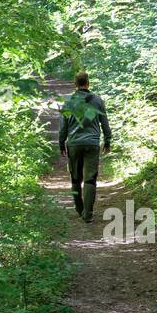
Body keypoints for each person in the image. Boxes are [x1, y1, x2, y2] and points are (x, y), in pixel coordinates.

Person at [58, 71, 111, 223]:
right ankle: (87, 214)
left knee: (75, 178)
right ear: (88, 83)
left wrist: (61, 143)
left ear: (75, 84)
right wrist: (107, 141)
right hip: (92, 144)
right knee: (90, 180)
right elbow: (104, 123)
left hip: (74, 144)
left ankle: (79, 208)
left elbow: (63, 126)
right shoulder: (98, 100)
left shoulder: (68, 102)